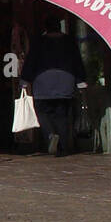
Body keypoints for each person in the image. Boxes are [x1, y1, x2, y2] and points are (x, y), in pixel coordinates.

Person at [20, 16, 88, 156]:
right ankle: (63, 145)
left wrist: (25, 80)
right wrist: (81, 80)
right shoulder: (69, 41)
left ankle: (50, 135)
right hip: (65, 83)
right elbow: (77, 61)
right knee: (62, 115)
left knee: (43, 113)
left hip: (42, 84)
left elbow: (31, 61)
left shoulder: (39, 42)